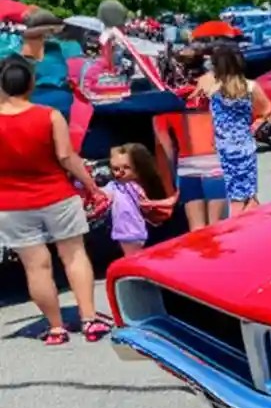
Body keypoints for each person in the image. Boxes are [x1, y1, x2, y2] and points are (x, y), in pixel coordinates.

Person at [0, 49, 110, 345]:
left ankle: (56, 327)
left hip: (11, 204)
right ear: (30, 84)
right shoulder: (48, 116)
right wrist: (92, 187)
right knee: (74, 255)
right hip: (56, 194)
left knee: (35, 266)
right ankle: (89, 320)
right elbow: (66, 157)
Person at [196, 44, 271, 215]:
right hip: (244, 147)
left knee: (228, 195)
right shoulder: (250, 87)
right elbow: (267, 107)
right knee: (247, 193)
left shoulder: (211, 88)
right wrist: (257, 123)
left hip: (220, 148)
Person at [105, 143, 168, 256]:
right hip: (130, 234)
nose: (120, 172)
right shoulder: (117, 187)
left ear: (139, 168)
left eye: (126, 167)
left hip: (137, 234)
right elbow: (105, 193)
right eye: (115, 168)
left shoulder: (136, 188)